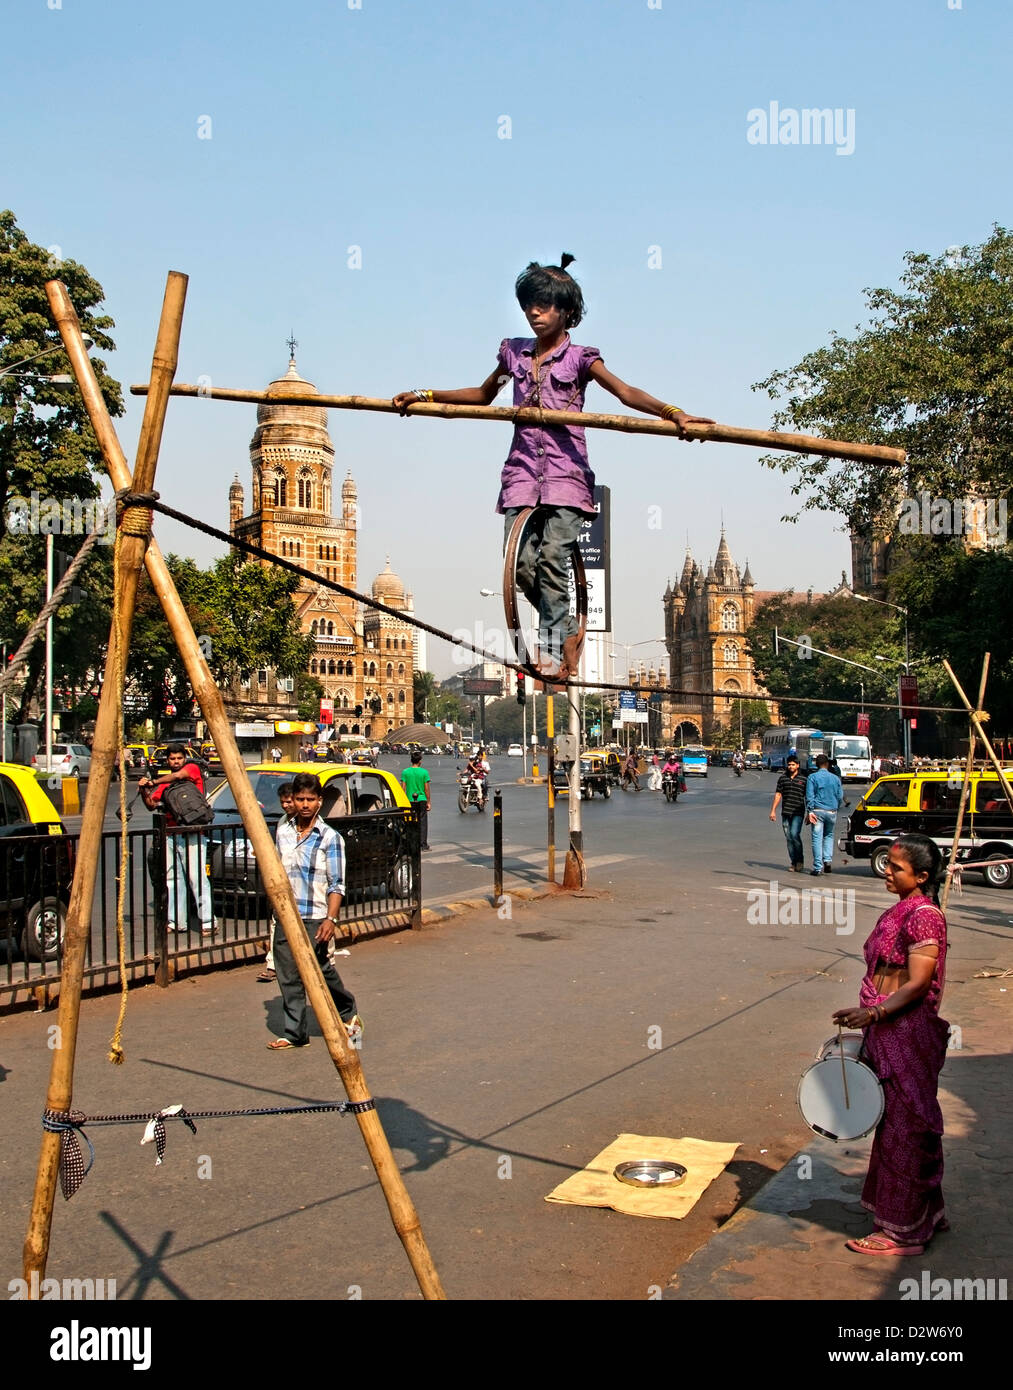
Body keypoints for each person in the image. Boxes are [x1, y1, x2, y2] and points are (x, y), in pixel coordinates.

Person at [392, 255, 712, 680]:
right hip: (521, 475)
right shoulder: (514, 355)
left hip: (566, 477)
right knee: (523, 567)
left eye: (544, 306)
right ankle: (565, 634)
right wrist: (424, 394)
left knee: (552, 560)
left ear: (566, 312)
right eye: (529, 306)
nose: (535, 313)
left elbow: (625, 392)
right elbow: (483, 395)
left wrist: (674, 413)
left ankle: (553, 649)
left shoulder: (581, 359)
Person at [832, 834, 949, 1256]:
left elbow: (917, 983)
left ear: (920, 877)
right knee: (902, 1121)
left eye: (897, 868)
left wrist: (877, 1013)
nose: (888, 871)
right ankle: (926, 1211)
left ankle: (903, 1232)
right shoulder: (903, 909)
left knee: (905, 1125)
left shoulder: (923, 916)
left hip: (907, 1030)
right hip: (887, 1026)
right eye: (889, 864)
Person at [266, 772, 363, 1050]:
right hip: (287, 914)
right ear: (292, 801)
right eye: (300, 799)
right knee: (288, 973)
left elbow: (337, 883)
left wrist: (330, 919)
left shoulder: (330, 838)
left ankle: (347, 1011)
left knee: (320, 970)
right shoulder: (283, 831)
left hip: (315, 914)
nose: (305, 804)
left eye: (310, 799)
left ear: (319, 801)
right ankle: (295, 1032)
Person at [139, 742, 216, 936]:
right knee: (173, 880)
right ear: (167, 760)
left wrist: (153, 782)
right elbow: (151, 805)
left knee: (196, 878)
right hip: (171, 835)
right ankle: (175, 921)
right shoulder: (164, 783)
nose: (176, 762)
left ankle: (208, 922)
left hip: (192, 833)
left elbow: (178, 776)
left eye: (179, 758)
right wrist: (143, 789)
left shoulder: (191, 769)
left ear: (184, 758)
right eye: (172, 759)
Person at [257, 782, 295, 983]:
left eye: (289, 802)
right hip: (283, 881)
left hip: (303, 885)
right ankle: (272, 964)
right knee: (277, 923)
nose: (287, 806)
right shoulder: (282, 822)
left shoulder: (308, 823)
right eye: (283, 802)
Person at [805, 752, 845, 875]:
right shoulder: (835, 778)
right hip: (831, 811)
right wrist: (836, 807)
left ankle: (818, 867)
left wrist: (809, 811)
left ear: (816, 764)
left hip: (817, 811)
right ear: (827, 764)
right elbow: (840, 796)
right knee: (829, 835)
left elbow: (809, 796)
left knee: (817, 838)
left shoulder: (812, 777)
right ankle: (827, 861)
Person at [769, 754, 808, 872]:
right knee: (789, 837)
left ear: (798, 765)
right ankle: (793, 862)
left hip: (798, 812)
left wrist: (809, 813)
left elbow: (808, 797)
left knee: (794, 835)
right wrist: (773, 811)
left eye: (793, 764)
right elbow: (778, 794)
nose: (791, 766)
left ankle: (800, 861)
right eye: (789, 764)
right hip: (785, 812)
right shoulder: (783, 778)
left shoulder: (804, 779)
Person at [401, 748, 432, 851]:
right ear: (420, 761)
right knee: (422, 822)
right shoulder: (424, 772)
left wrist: (402, 801)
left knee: (409, 821)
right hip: (422, 800)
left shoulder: (405, 772)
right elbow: (426, 788)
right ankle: (423, 844)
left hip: (409, 800)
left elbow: (403, 788)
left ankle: (410, 843)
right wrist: (428, 802)